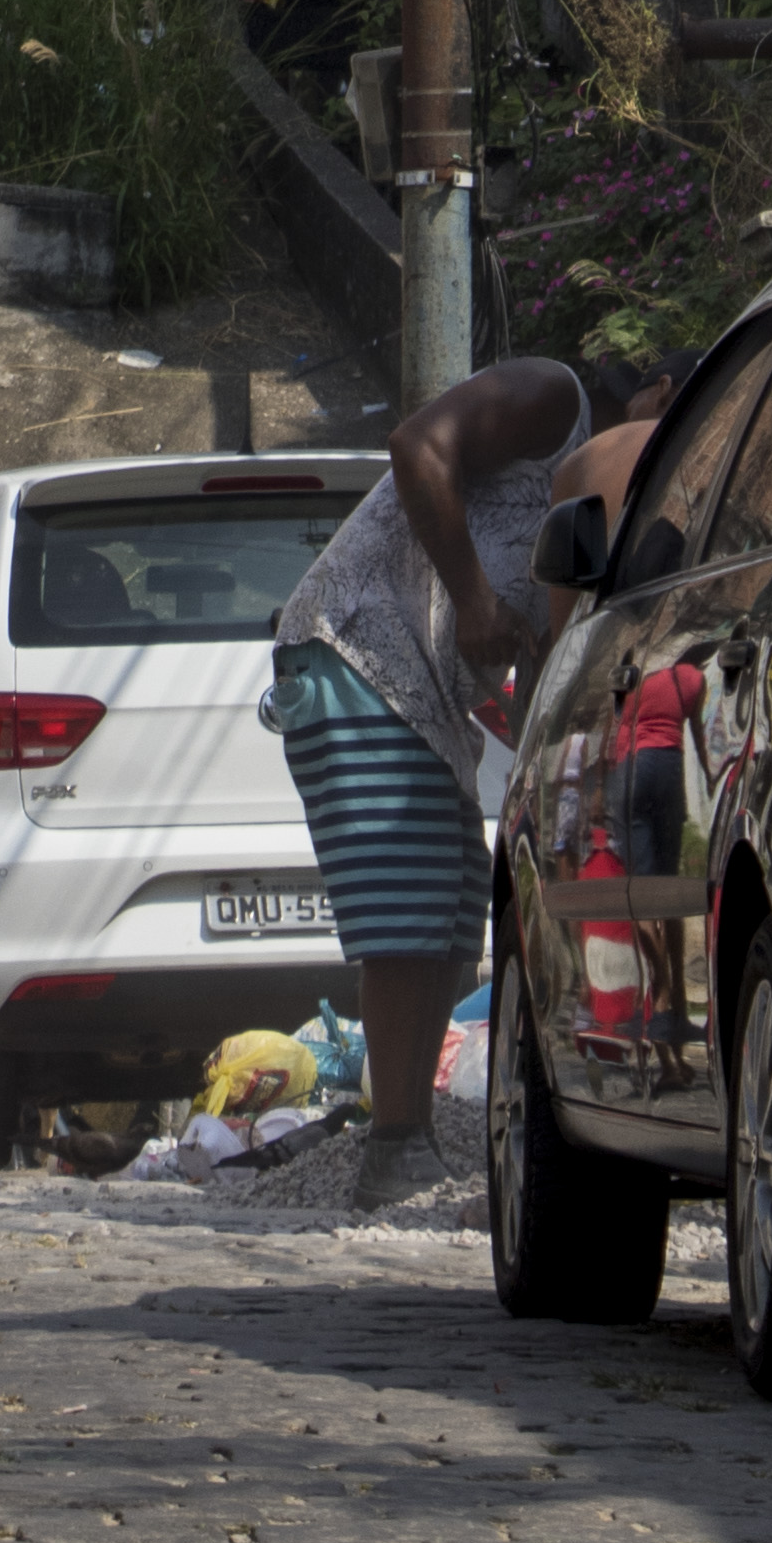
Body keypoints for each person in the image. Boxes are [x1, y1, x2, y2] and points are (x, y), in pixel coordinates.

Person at [266, 347, 631, 1207]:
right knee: (411, 911)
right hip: (359, 652)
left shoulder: (590, 512)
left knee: (456, 907)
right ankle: (394, 1145)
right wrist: (471, 599)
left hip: (413, 688)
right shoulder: (557, 399)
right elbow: (417, 445)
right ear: (648, 394)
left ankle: (406, 1135)